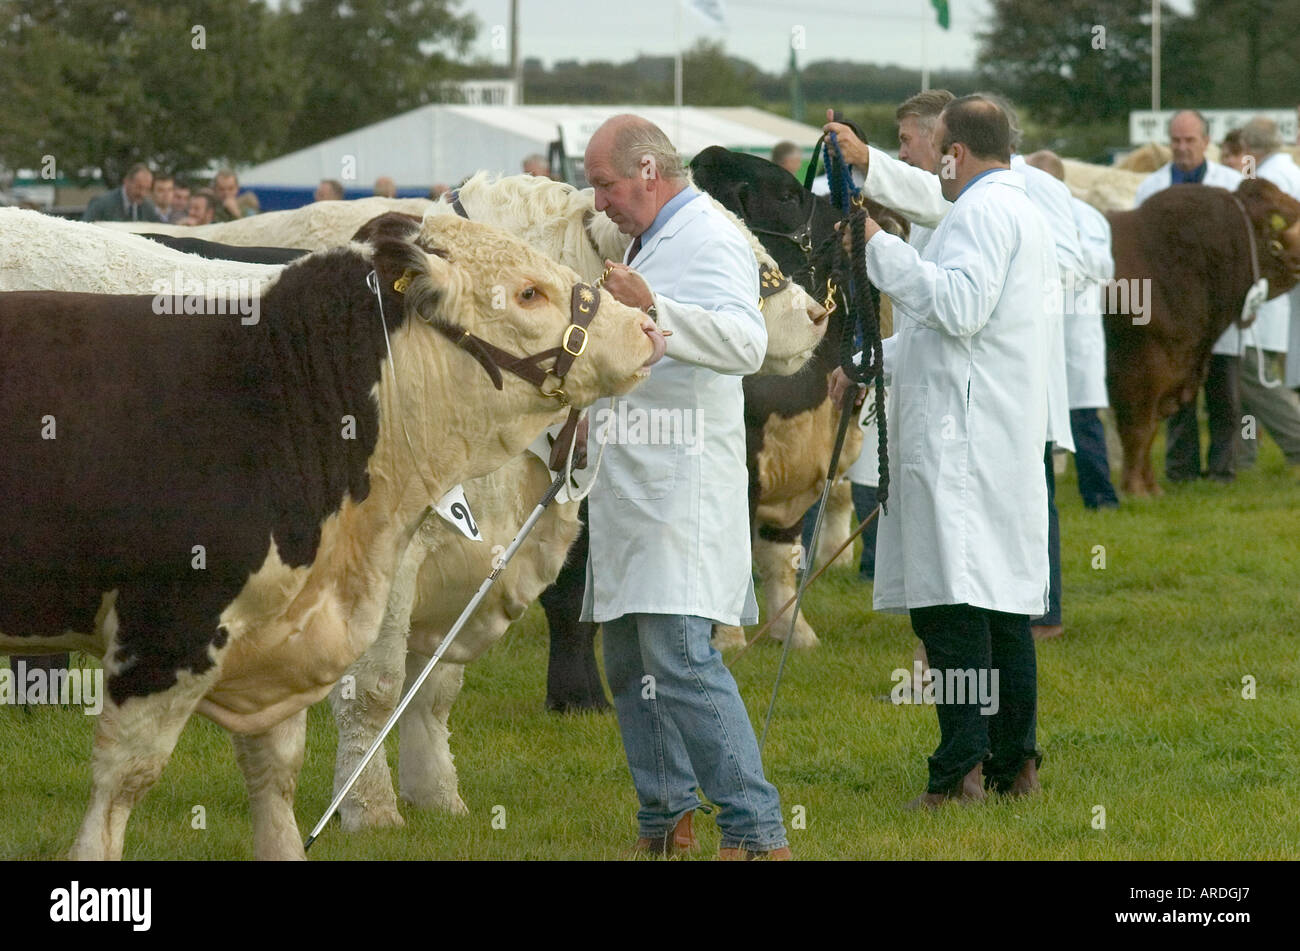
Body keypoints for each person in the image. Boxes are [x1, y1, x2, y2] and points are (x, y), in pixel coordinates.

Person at [829, 94, 1054, 808]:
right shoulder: (1006, 207)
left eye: (938, 153)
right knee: (998, 605)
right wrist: (874, 358)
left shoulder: (986, 211)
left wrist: (877, 248)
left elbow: (957, 308)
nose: (935, 169)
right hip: (985, 426)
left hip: (964, 440)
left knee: (952, 607)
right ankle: (1013, 763)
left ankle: (958, 771)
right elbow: (953, 329)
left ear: (957, 152)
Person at [582, 114, 788, 860]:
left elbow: (746, 341)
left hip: (681, 483)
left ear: (646, 170)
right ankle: (667, 818)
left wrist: (654, 306)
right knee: (630, 661)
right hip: (633, 480)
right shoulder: (651, 235)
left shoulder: (709, 234)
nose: (598, 200)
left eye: (604, 183)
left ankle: (757, 832)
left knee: (680, 657)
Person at [1134, 110, 1244, 483]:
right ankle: (1181, 470)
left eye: (1189, 140)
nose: (1182, 148)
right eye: (1176, 140)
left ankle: (1222, 470)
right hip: (1175, 314)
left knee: (1224, 394)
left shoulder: (1232, 184)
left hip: (1220, 309)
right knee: (1178, 394)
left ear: (1206, 142)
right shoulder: (1150, 188)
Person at [1026, 150, 1121, 510]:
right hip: (1034, 333)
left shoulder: (1088, 217)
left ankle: (1101, 498)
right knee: (1035, 423)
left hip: (1076, 332)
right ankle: (1039, 500)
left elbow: (1104, 268)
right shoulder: (1018, 212)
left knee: (1084, 420)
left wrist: (1073, 240)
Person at [1235, 118, 1300, 472]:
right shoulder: (1291, 171)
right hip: (1274, 299)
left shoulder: (1264, 180)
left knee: (1259, 382)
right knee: (1245, 392)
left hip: (1264, 298)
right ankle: (1243, 459)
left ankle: (1296, 440)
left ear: (1249, 147)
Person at [82, 163, 160, 222]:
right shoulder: (101, 203)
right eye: (139, 187)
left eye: (147, 189)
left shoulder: (148, 207)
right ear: (126, 181)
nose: (142, 193)